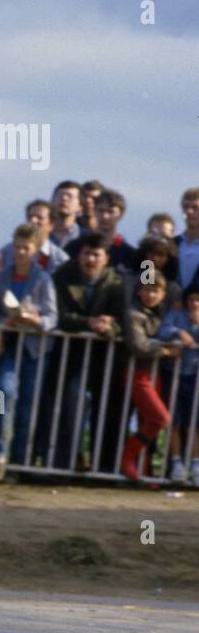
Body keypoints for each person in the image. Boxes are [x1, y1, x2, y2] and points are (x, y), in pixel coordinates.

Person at [49, 232, 126, 473]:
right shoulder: (63, 275)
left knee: (107, 412)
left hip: (105, 358)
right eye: (86, 253)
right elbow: (58, 314)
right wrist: (88, 323)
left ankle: (103, 469)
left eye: (96, 254)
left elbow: (124, 318)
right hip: (70, 356)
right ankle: (64, 466)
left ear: (106, 258)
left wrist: (108, 326)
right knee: (70, 409)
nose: (91, 259)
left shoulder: (117, 282)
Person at [0, 224, 58, 478]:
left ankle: (18, 462)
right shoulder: (3, 276)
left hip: (34, 350)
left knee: (27, 407)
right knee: (1, 394)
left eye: (26, 248)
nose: (20, 252)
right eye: (17, 246)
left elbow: (52, 317)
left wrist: (36, 321)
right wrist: (4, 322)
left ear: (36, 250)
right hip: (9, 347)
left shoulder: (43, 279)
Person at [120, 275, 184, 482]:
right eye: (146, 290)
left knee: (147, 422)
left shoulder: (165, 315)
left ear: (163, 295)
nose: (150, 295)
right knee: (161, 418)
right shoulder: (133, 314)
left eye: (154, 291)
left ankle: (144, 471)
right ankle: (127, 457)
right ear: (139, 291)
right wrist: (165, 351)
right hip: (138, 373)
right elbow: (138, 346)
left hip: (156, 374)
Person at [160, 290, 199, 485]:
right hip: (173, 374)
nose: (195, 304)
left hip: (195, 377)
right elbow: (163, 330)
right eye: (192, 300)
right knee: (173, 419)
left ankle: (195, 463)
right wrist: (179, 332)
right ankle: (175, 462)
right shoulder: (177, 314)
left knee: (195, 422)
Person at [65, 189, 136, 276]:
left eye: (111, 212)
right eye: (101, 210)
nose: (105, 216)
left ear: (121, 214)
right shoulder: (75, 247)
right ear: (94, 211)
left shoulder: (129, 254)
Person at [1, 199, 69, 274]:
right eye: (30, 217)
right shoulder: (7, 252)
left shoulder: (60, 259)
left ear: (51, 225)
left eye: (39, 218)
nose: (33, 221)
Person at [176, 188, 199, 293]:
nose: (189, 211)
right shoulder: (172, 244)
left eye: (195, 208)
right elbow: (148, 268)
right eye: (186, 207)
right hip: (173, 307)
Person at [49, 180, 83, 249]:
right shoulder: (41, 236)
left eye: (69, 196)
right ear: (51, 201)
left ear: (80, 206)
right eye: (60, 195)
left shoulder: (85, 236)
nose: (64, 198)